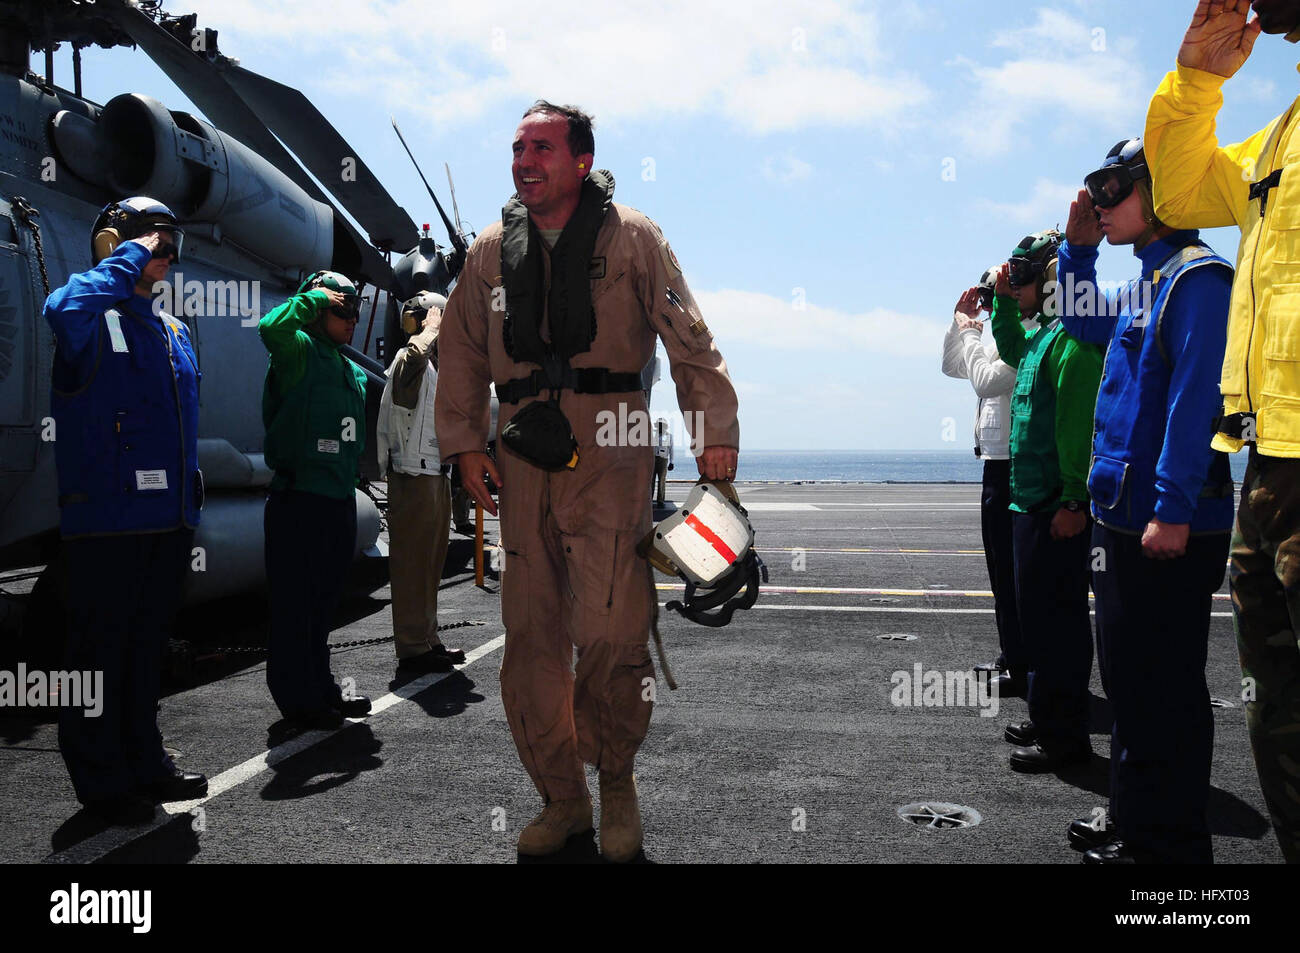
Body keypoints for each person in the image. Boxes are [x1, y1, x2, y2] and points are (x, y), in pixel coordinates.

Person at [435, 100, 740, 861]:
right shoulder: (485, 254)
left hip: (612, 448)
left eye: (541, 148)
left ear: (579, 160)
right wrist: (465, 446)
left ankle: (617, 783)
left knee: (610, 629)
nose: (524, 162)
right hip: (520, 457)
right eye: (516, 149)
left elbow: (690, 342)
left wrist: (715, 437)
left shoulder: (632, 237)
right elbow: (464, 352)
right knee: (531, 639)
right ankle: (563, 798)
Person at [1145, 0, 1300, 862]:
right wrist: (1197, 81)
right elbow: (1180, 190)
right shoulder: (1281, 138)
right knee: (1277, 714)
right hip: (1271, 462)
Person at [1057, 139, 1234, 864]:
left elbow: (1197, 404)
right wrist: (1077, 254)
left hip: (1165, 524)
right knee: (1130, 680)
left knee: (1166, 689)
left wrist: (1172, 507)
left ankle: (1171, 848)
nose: (1100, 200)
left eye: (1115, 185)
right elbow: (1080, 321)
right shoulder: (1145, 284)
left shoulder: (1198, 280)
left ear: (1166, 191)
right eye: (1096, 187)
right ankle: (1134, 812)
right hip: (1124, 519)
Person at [45, 196, 207, 825]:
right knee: (97, 656)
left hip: (165, 521)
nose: (164, 250)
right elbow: (65, 307)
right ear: (113, 241)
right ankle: (102, 784)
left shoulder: (172, 330)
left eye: (169, 240)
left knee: (145, 653)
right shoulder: (87, 310)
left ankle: (146, 763)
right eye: (150, 239)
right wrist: (127, 254)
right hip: (106, 520)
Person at [990, 229, 1104, 773]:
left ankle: (1067, 742)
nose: (1017, 286)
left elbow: (1076, 428)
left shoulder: (1074, 344)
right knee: (1037, 622)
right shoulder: (1041, 338)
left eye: (1024, 278)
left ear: (1053, 280)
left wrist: (1074, 501)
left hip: (1055, 507)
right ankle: (1048, 715)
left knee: (1058, 626)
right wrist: (1001, 299)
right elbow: (1009, 345)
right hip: (1028, 505)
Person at [259, 270, 372, 734]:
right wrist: (310, 299)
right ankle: (297, 701)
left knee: (324, 606)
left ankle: (321, 687)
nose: (350, 319)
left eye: (354, 310)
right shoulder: (298, 351)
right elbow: (271, 329)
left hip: (337, 501)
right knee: (294, 607)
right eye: (341, 309)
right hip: (299, 499)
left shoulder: (350, 369)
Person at [941, 269, 1026, 697]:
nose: (991, 306)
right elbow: (953, 366)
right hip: (995, 461)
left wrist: (972, 335)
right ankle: (1012, 655)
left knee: (1016, 572)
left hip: (1015, 463)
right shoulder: (997, 333)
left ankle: (1024, 664)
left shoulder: (1025, 332)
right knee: (999, 569)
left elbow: (987, 380)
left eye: (998, 296)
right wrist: (959, 323)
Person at [376, 294, 466, 675]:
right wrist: (430, 331)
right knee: (412, 566)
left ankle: (428, 639)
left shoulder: (434, 370)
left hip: (435, 474)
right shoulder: (408, 361)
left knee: (431, 565)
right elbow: (413, 357)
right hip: (412, 476)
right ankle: (413, 649)